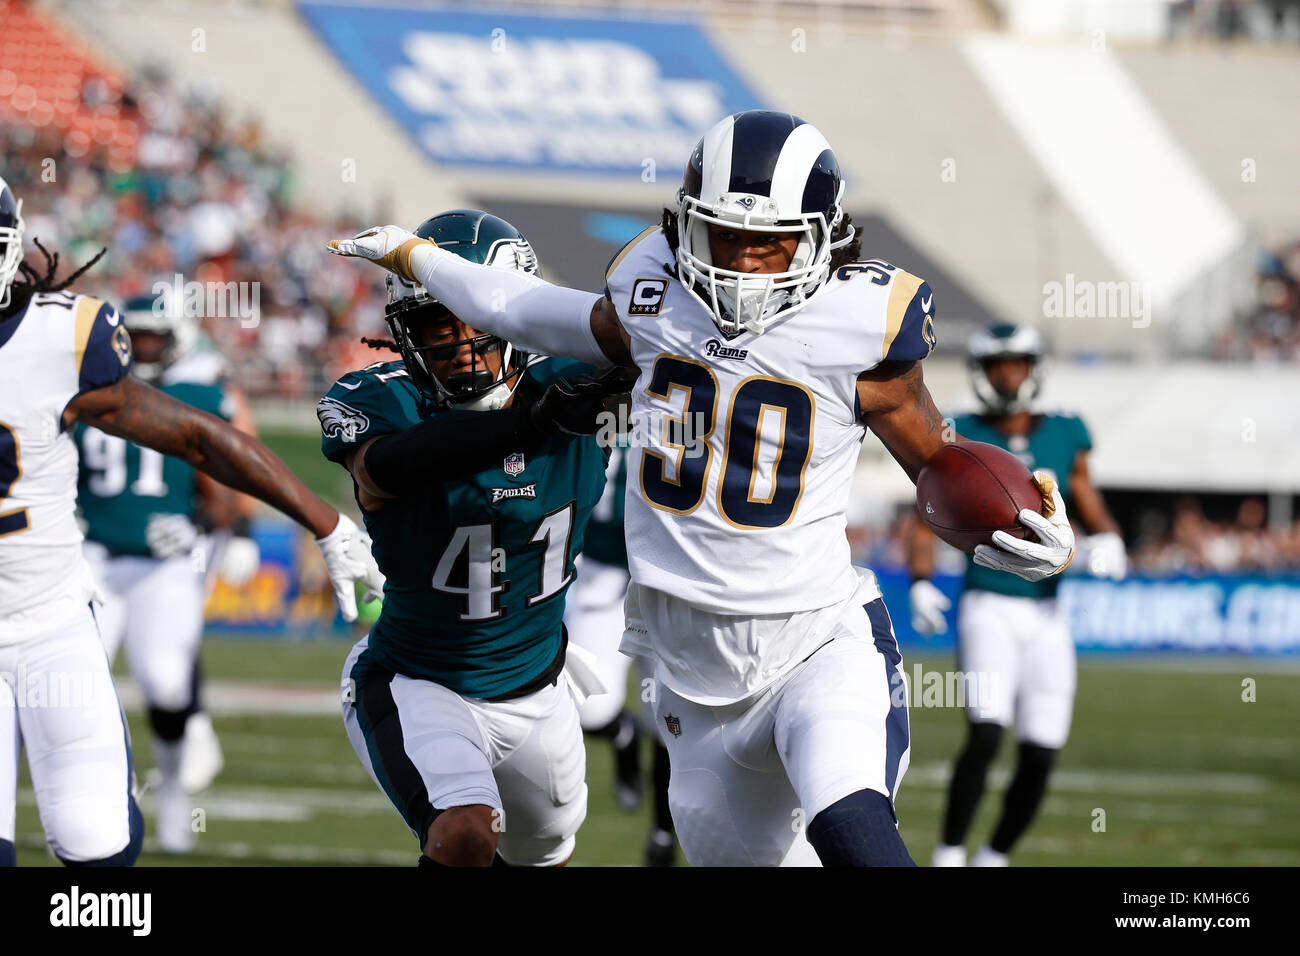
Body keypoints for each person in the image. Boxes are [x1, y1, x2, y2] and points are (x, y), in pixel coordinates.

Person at [327, 111, 1077, 867]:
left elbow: (937, 457)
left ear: (820, 236)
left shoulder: (862, 324)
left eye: (770, 241)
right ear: (688, 225)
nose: (747, 262)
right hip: (688, 676)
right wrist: (413, 253)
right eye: (726, 236)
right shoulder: (650, 294)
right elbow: (514, 307)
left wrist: (1013, 527)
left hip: (816, 636)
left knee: (853, 830)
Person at [0, 175, 382, 866]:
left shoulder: (58, 340)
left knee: (97, 845)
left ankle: (178, 776)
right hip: (73, 585)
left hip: (50, 620)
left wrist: (325, 523)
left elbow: (198, 438)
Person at [322, 209, 632, 867]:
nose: (462, 340)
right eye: (437, 322)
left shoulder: (571, 380)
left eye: (480, 319)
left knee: (545, 851)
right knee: (463, 833)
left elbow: (666, 346)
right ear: (406, 335)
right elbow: (387, 471)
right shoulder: (381, 399)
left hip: (539, 686)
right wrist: (531, 420)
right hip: (418, 678)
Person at [909, 322, 1126, 867]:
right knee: (985, 734)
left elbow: (1085, 497)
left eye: (1017, 363)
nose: (1008, 375)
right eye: (997, 364)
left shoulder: (1066, 429)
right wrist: (919, 580)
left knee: (1042, 752)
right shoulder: (963, 434)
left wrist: (1111, 539)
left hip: (1049, 614)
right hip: (989, 604)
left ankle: (994, 856)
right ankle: (950, 853)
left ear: (1033, 368)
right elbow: (927, 510)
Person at [76, 293, 257, 852]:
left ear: (175, 338)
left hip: (166, 567)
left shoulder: (199, 394)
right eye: (139, 335)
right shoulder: (85, 392)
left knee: (166, 681)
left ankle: (175, 789)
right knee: (80, 685)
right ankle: (106, 794)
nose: (146, 345)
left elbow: (225, 493)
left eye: (156, 335)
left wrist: (201, 524)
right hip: (95, 561)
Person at [562, 429, 678, 865]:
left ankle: (664, 833)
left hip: (670, 580)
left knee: (672, 720)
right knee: (584, 703)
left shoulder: (688, 408)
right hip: (601, 574)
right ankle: (624, 736)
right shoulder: (588, 398)